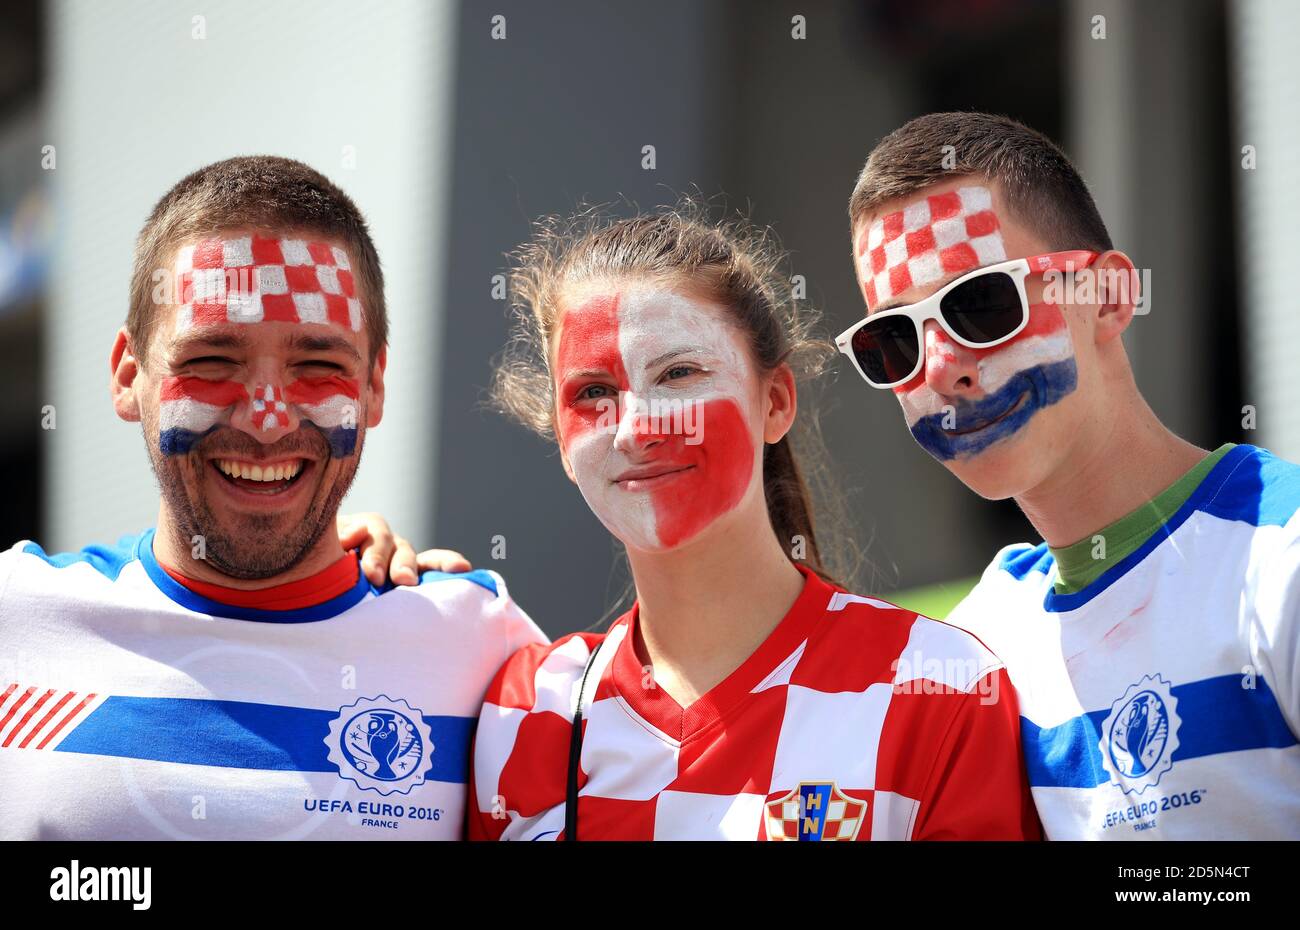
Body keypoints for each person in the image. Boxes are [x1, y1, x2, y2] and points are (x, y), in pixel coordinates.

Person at [0, 155, 543, 840]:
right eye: (210, 362)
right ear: (128, 374)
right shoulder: (14, 620)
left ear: (374, 387)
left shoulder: (480, 644)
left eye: (317, 366)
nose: (268, 419)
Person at [458, 203, 1039, 840]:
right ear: (562, 443)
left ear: (776, 403)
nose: (635, 430)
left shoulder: (937, 688)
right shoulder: (524, 711)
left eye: (678, 374)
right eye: (593, 392)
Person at [838, 112, 1300, 838]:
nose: (940, 367)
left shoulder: (1281, 558)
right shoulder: (970, 649)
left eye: (980, 303)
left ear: (1108, 298)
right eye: (893, 339)